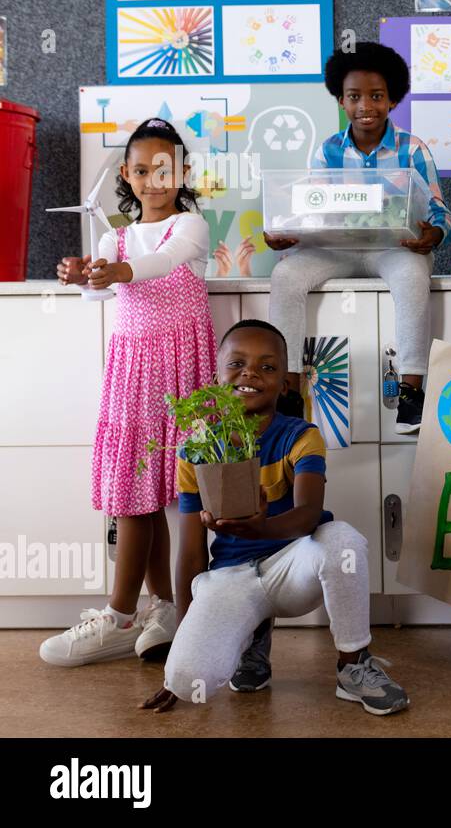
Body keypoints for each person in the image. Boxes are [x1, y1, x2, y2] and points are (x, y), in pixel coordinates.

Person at [140, 320, 410, 714]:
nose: (250, 373)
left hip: (292, 568)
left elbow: (307, 515)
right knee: (186, 680)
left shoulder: (301, 436)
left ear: (284, 383)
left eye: (267, 367)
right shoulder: (196, 449)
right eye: (237, 363)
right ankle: (252, 638)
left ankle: (353, 665)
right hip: (232, 576)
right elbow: (192, 553)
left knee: (343, 540)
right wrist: (183, 635)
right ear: (217, 377)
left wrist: (260, 527)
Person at [42, 119, 216, 667]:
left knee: (177, 492)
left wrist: (116, 270)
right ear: (126, 174)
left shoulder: (190, 225)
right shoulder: (113, 235)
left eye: (165, 169)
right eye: (141, 170)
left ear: (182, 172)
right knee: (136, 489)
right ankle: (156, 606)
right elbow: (101, 293)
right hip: (131, 371)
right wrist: (80, 275)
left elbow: (158, 264)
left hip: (181, 370)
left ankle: (128, 614)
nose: (153, 179)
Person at [265, 42, 451, 434]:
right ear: (341, 100)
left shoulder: (412, 149)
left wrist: (433, 234)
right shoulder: (328, 151)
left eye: (377, 96)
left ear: (393, 100)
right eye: (354, 97)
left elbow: (439, 210)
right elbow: (312, 210)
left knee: (413, 275)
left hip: (393, 248)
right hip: (336, 248)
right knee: (285, 277)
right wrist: (286, 232)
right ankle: (289, 391)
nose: (366, 105)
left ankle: (411, 391)